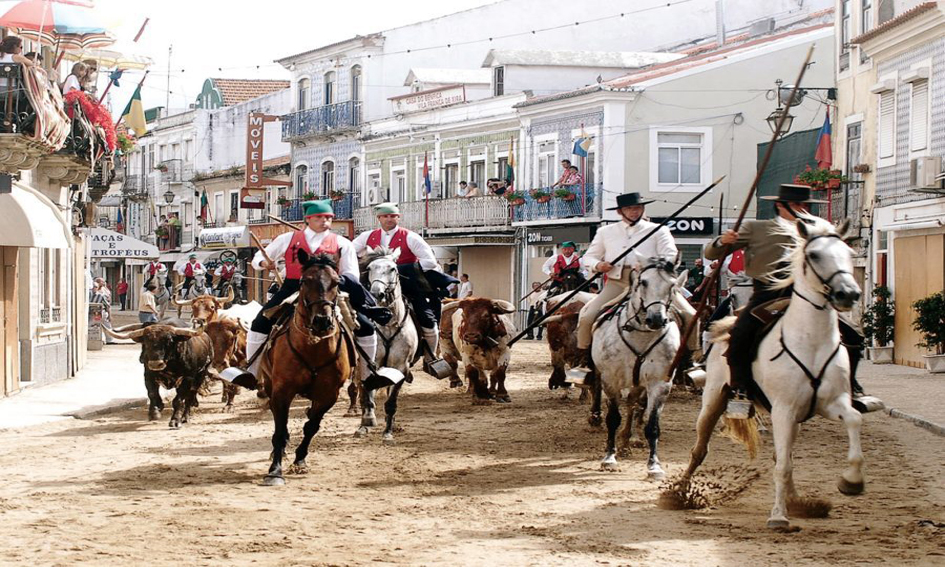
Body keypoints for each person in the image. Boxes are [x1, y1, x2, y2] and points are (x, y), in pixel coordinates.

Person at [705, 183, 881, 413]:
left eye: (805, 205)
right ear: (780, 205)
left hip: (811, 295)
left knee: (853, 337)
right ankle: (740, 389)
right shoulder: (757, 228)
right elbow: (712, 253)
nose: (802, 209)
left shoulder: (821, 229)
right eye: (797, 204)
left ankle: (850, 387)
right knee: (740, 335)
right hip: (767, 295)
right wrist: (722, 242)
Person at [245, 200, 392, 381]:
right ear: (308, 219)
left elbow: (351, 273)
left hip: (329, 291)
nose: (325, 221)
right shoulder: (287, 239)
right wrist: (264, 263)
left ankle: (369, 374)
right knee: (259, 322)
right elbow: (258, 257)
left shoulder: (341, 242)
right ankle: (250, 372)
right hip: (292, 287)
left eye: (328, 218)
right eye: (319, 217)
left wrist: (332, 281)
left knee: (366, 327)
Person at [573, 191, 697, 375]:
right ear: (620, 211)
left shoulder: (659, 230)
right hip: (618, 282)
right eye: (629, 208)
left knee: (690, 314)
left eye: (637, 208)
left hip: (655, 283)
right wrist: (599, 265)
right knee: (587, 316)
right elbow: (588, 258)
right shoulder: (606, 232)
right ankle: (584, 362)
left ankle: (690, 361)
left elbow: (670, 254)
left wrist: (653, 264)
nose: (634, 212)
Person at [352, 202, 459, 374]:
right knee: (350, 315)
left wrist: (401, 269)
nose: (389, 219)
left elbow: (429, 261)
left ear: (398, 217)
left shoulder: (410, 237)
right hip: (374, 284)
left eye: (392, 216)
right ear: (379, 218)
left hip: (406, 284)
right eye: (385, 216)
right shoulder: (366, 236)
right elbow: (350, 252)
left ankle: (431, 357)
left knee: (427, 319)